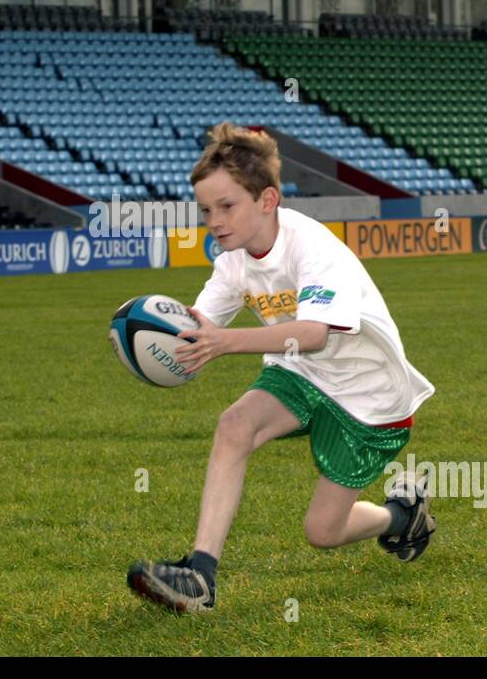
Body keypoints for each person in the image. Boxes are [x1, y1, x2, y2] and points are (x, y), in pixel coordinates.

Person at [127, 122, 437, 613]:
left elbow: (314, 334)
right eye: (206, 210)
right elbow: (199, 325)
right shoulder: (232, 261)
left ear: (268, 200)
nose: (215, 220)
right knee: (234, 425)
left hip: (369, 397)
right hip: (301, 374)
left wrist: (224, 343)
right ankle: (200, 574)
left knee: (323, 531)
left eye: (227, 206)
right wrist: (145, 337)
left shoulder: (312, 246)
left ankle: (402, 517)